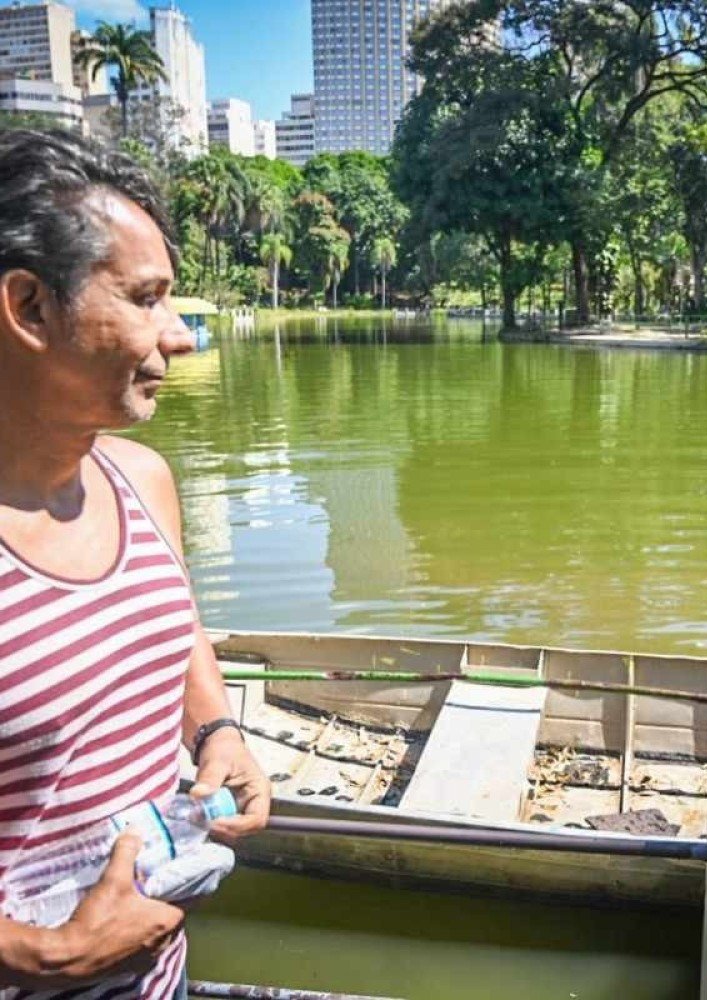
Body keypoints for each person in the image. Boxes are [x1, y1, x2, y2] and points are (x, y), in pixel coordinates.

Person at [0, 129, 270, 996]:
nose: (181, 336)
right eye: (147, 298)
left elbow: (177, 624)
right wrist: (34, 954)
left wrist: (217, 727)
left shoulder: (141, 479)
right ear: (30, 307)